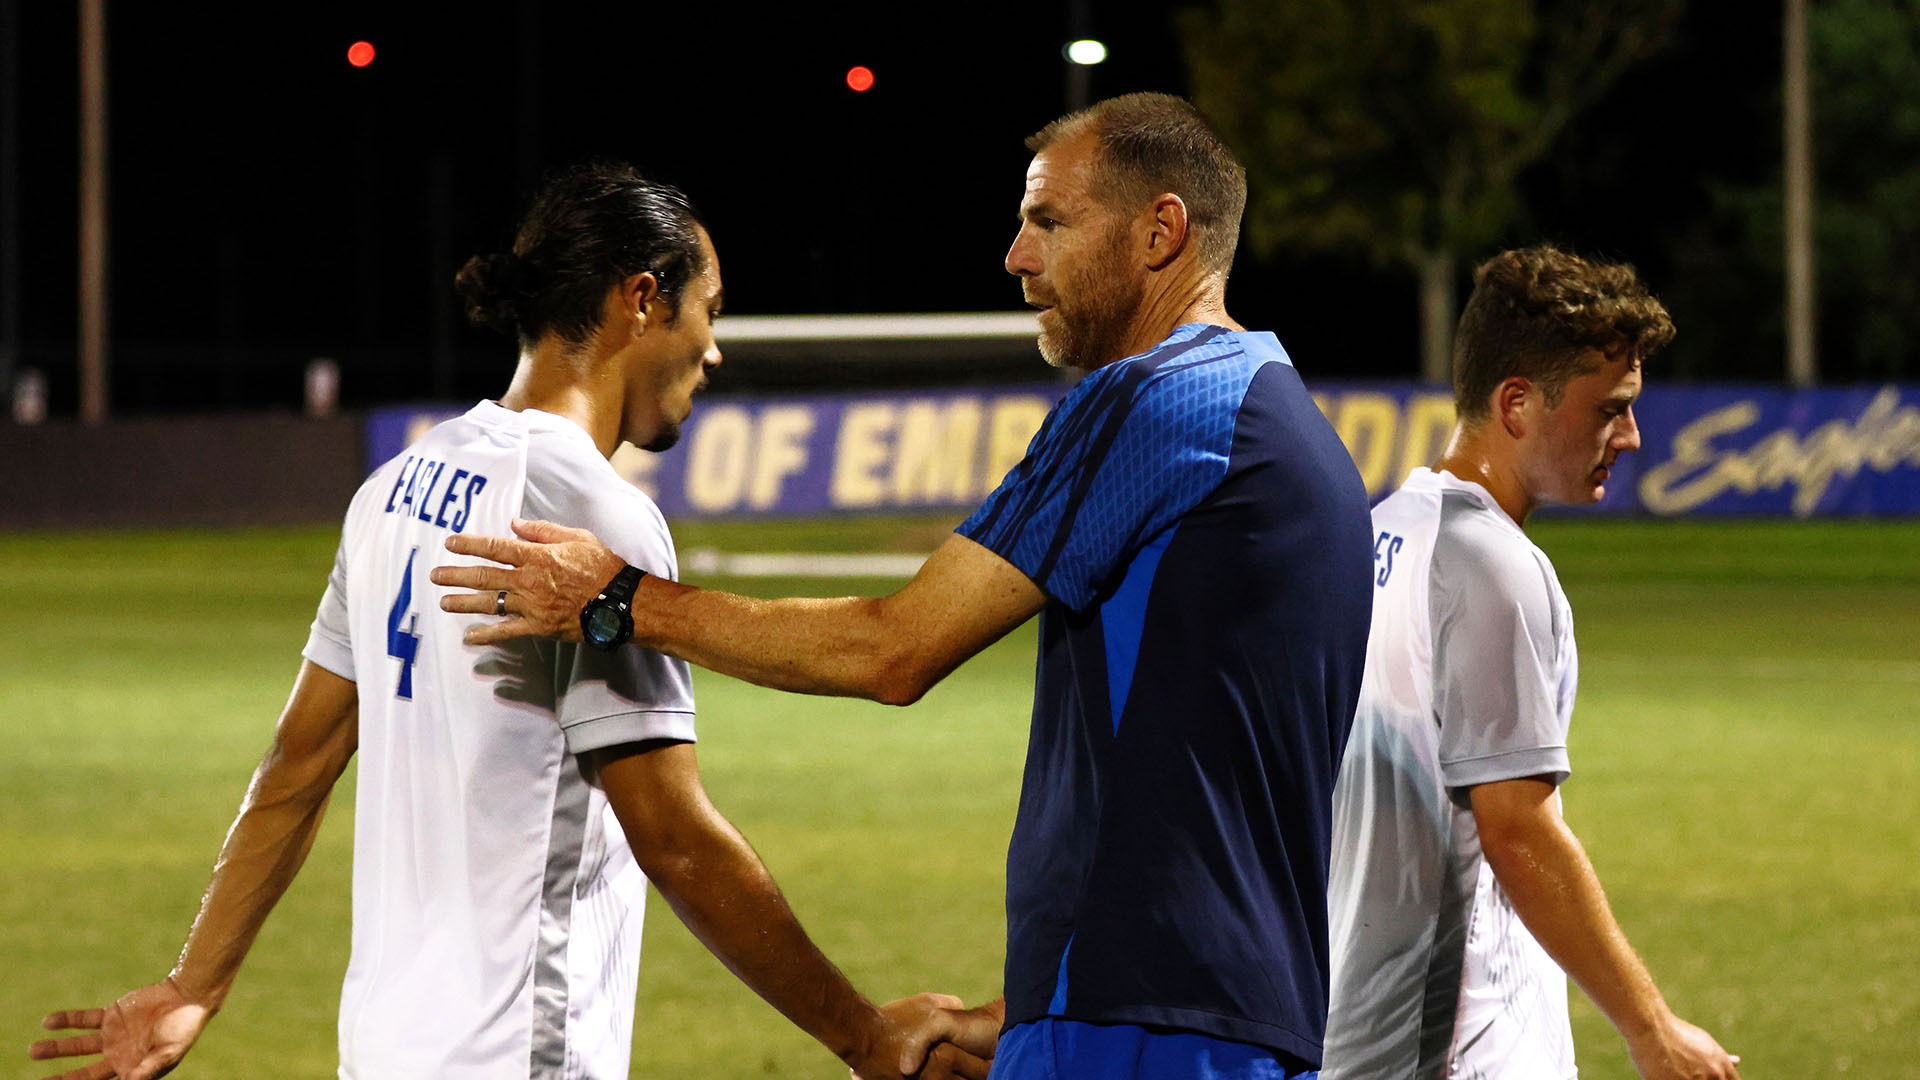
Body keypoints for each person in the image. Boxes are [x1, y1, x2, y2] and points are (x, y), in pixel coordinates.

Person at [432, 93, 1375, 1080]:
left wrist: (616, 597)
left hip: (1145, 1036)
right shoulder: (1287, 426)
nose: (1017, 255)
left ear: (1161, 231)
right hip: (1216, 1017)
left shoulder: (1159, 402)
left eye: (1048, 222)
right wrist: (1020, 1021)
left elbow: (895, 648)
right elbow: (1210, 807)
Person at [28, 162, 959, 1080]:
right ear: (641, 299)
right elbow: (672, 836)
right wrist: (863, 1035)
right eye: (708, 310)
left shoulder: (393, 488)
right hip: (517, 1051)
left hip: (385, 1050)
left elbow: (295, 767)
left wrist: (197, 980)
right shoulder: (592, 515)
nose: (713, 349)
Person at [1321, 245, 1742, 1080]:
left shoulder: (1378, 535)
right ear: (1517, 403)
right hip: (1459, 1043)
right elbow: (1516, 826)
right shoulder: (1493, 568)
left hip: (1357, 1028)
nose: (1630, 434)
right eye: (1609, 409)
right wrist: (1651, 1027)